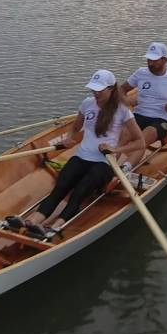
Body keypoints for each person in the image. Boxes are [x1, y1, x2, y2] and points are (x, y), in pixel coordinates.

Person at [19, 69, 144, 239]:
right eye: (94, 89)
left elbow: (140, 142)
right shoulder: (87, 104)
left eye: (100, 90)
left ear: (111, 89)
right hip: (82, 157)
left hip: (104, 163)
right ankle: (32, 222)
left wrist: (116, 150)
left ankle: (54, 228)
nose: (96, 93)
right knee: (59, 189)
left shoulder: (122, 111)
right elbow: (75, 127)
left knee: (78, 193)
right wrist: (70, 138)